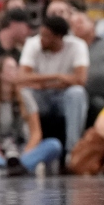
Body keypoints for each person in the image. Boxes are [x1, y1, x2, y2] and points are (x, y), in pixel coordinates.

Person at [0, 54, 63, 176]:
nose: (16, 71)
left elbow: (36, 133)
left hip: (22, 148)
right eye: (11, 68)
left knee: (54, 145)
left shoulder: (25, 96)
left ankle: (6, 169)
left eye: (16, 68)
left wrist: (27, 151)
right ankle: (16, 167)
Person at [19, 13, 89, 160]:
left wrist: (41, 82)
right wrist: (57, 76)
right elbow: (22, 77)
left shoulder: (77, 45)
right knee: (25, 93)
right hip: (41, 96)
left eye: (45, 36)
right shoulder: (33, 44)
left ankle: (72, 152)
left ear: (58, 37)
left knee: (77, 93)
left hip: (64, 96)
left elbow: (80, 80)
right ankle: (27, 147)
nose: (41, 39)